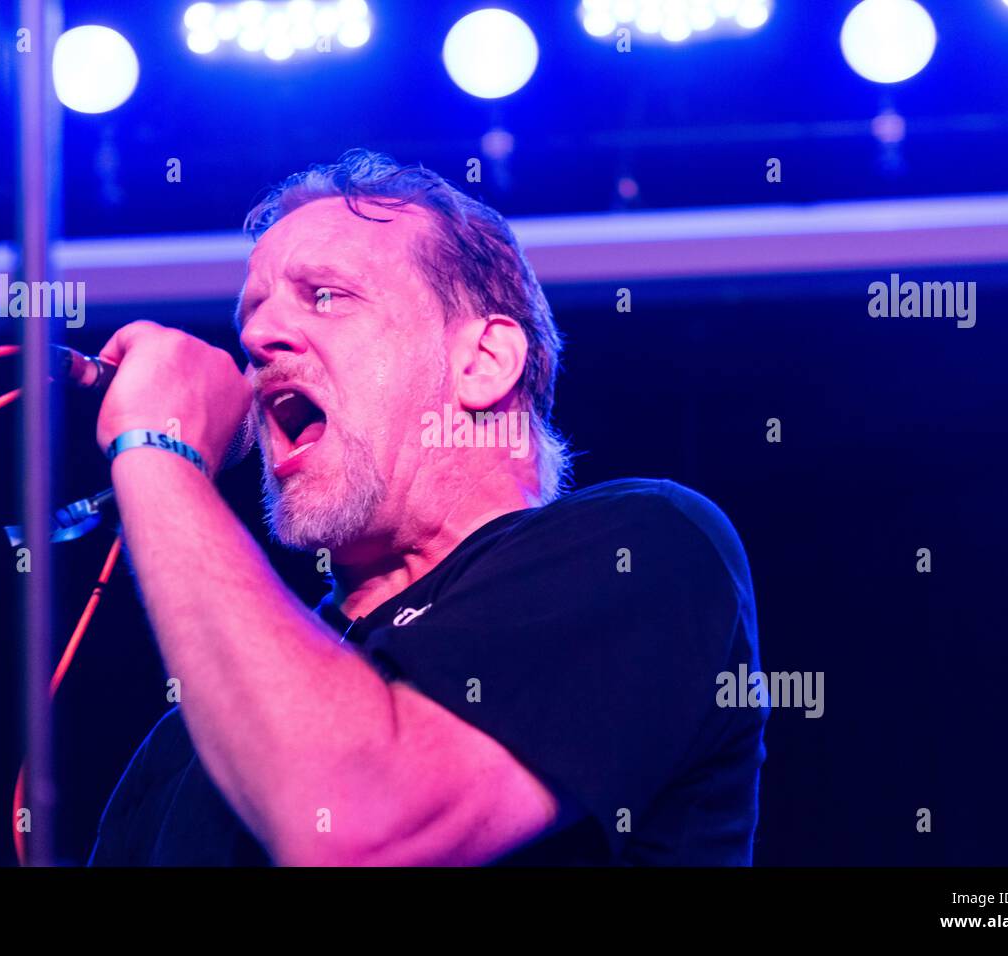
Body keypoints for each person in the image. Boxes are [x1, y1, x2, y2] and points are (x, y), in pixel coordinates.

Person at [87, 149, 766, 866]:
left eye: (326, 296)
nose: (256, 341)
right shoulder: (188, 747)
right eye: (250, 317)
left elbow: (353, 826)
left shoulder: (650, 546)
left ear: (483, 362)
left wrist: (156, 453)